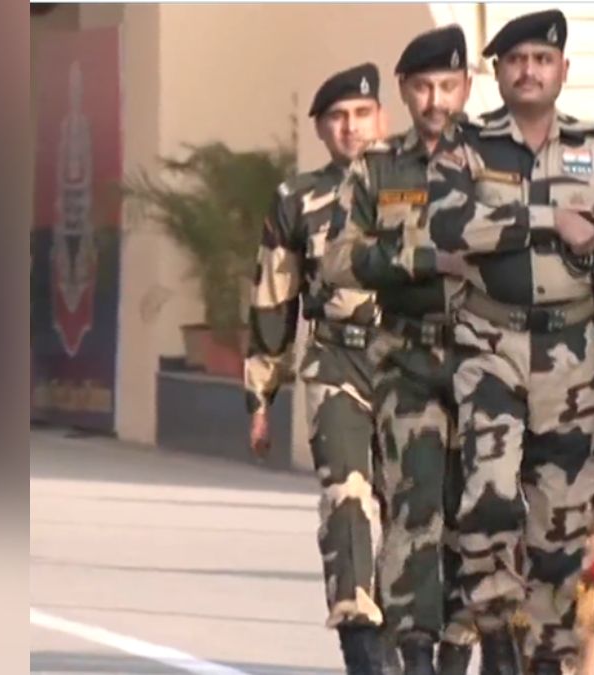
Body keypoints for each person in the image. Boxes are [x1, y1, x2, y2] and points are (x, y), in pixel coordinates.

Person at [423, 10, 594, 674]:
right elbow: (448, 227)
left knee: (565, 522)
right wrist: (547, 217)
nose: (529, 69)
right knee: (489, 494)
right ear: (496, 73)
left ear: (562, 70)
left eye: (541, 59)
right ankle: (496, 630)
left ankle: (549, 654)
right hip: (490, 341)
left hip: (576, 353)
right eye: (515, 60)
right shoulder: (467, 146)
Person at [323, 26, 478, 675]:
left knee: (479, 510)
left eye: (447, 84)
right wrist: (420, 258)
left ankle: (463, 646)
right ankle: (414, 654)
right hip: (407, 360)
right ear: (406, 93)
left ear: (466, 87)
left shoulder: (500, 158)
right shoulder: (377, 168)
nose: (435, 98)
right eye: (422, 86)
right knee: (414, 509)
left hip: (489, 361)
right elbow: (336, 256)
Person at [243, 63, 393, 673]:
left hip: (413, 362)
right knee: (347, 501)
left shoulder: (422, 183)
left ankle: (416, 643)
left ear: (380, 118)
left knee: (419, 510)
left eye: (361, 115)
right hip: (335, 358)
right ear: (321, 129)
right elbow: (273, 298)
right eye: (337, 118)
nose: (350, 128)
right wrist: (261, 396)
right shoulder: (296, 197)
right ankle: (361, 650)